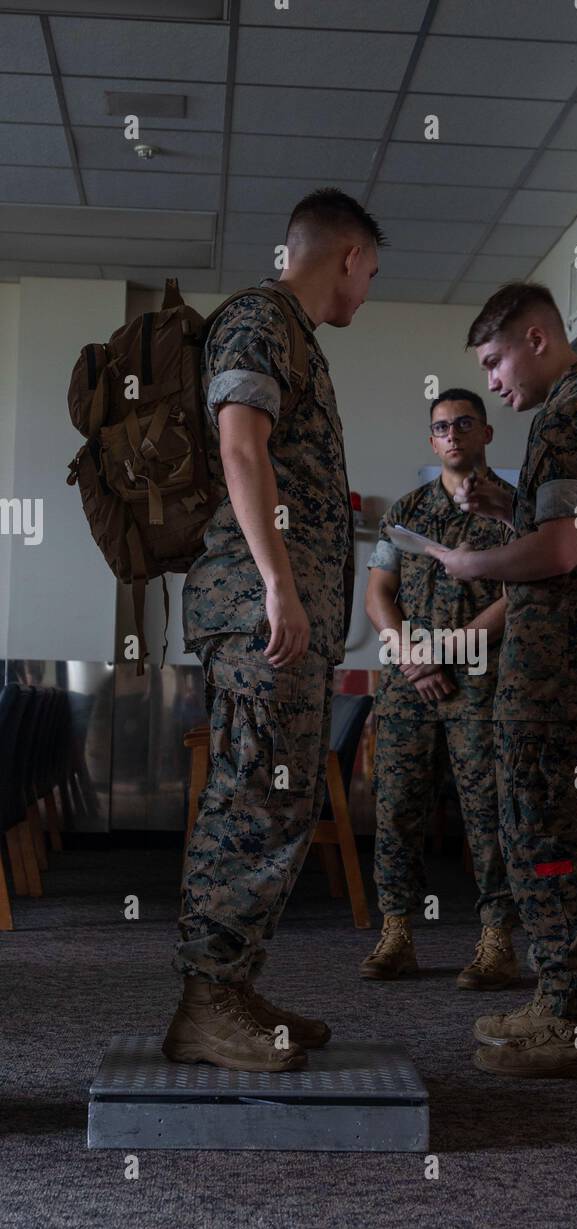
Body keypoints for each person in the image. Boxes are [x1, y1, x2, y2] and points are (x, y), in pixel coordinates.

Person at [425, 282, 577, 1080]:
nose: (492, 381)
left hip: (561, 672)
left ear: (537, 338)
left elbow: (561, 555)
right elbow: (574, 533)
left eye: (495, 362)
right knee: (557, 836)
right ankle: (568, 1001)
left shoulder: (567, 416)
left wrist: (472, 560)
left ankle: (576, 1020)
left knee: (546, 840)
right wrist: (513, 510)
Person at [162, 188, 385, 1073]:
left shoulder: (295, 338)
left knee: (278, 797)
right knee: (255, 794)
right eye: (370, 274)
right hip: (262, 614)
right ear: (346, 256)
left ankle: (231, 985)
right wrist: (279, 587)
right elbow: (240, 448)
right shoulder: (262, 319)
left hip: (281, 614)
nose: (366, 293)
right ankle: (207, 1000)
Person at [362, 390, 521, 988]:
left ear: (485, 433)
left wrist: (446, 651)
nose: (452, 435)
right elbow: (379, 594)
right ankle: (397, 933)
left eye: (463, 424)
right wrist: (412, 656)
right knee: (397, 806)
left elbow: (518, 595)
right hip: (409, 683)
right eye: (440, 428)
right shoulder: (405, 510)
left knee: (489, 811)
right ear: (431, 441)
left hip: (480, 680)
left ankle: (497, 941)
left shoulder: (514, 510)